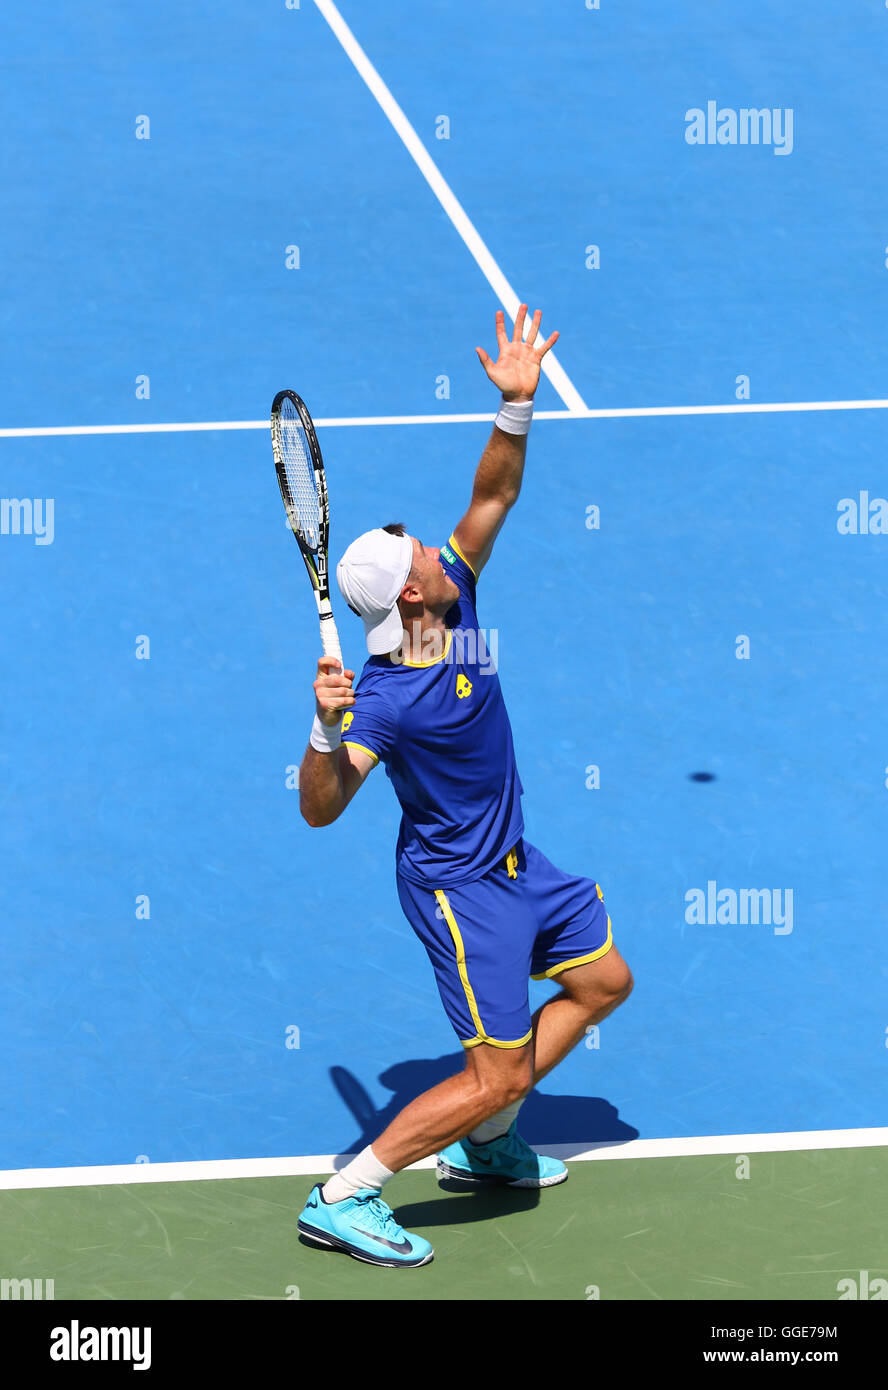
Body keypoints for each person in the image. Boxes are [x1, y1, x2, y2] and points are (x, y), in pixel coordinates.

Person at [296, 305, 633, 1268]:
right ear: (410, 595)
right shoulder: (388, 699)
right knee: (493, 1074)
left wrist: (515, 408)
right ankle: (344, 1194)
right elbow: (321, 808)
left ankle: (485, 1149)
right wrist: (325, 728)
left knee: (604, 981)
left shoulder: (457, 595)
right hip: (460, 890)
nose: (442, 552)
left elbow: (493, 497)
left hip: (517, 861)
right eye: (422, 559)